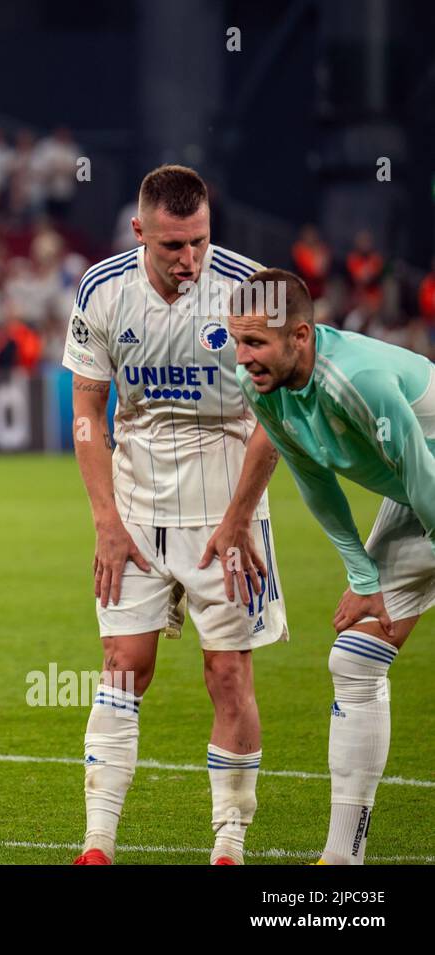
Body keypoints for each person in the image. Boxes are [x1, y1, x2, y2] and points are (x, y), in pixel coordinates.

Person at [64, 165, 287, 865]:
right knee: (123, 665)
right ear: (140, 233)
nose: (189, 259)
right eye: (172, 246)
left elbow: (275, 419)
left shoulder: (249, 291)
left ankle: (229, 843)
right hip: (135, 507)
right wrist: (105, 519)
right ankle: (98, 842)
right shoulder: (103, 291)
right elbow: (86, 413)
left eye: (199, 241)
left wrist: (241, 517)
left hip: (229, 510)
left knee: (228, 672)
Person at [230, 268, 433, 865]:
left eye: (256, 344)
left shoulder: (359, 382)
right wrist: (364, 580)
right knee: (354, 660)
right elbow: (315, 483)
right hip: (417, 497)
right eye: (237, 342)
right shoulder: (262, 388)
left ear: (300, 335)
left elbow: (422, 477)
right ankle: (341, 861)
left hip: (428, 486)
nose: (243, 359)